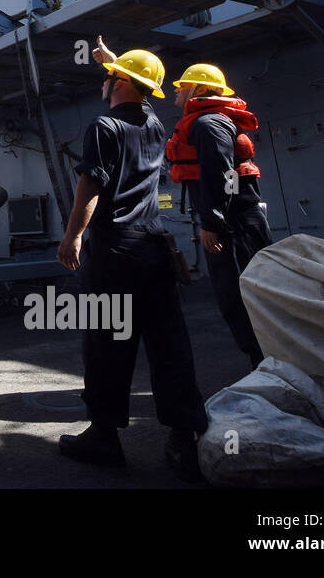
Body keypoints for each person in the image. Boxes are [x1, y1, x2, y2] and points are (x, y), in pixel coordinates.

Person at [57, 42, 207, 481]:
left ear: (119, 84)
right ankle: (184, 440)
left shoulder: (102, 127)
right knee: (169, 344)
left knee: (106, 345)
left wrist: (73, 236)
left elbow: (91, 186)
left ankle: (104, 437)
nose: (103, 83)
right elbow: (135, 86)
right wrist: (113, 61)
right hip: (154, 247)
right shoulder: (157, 126)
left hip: (115, 251)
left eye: (109, 78)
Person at [167, 62, 268, 368]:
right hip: (234, 221)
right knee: (239, 295)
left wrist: (212, 222)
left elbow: (222, 175)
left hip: (232, 226)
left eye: (183, 86)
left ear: (199, 90)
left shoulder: (207, 124)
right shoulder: (210, 122)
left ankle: (264, 364)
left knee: (238, 297)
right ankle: (263, 362)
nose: (177, 91)